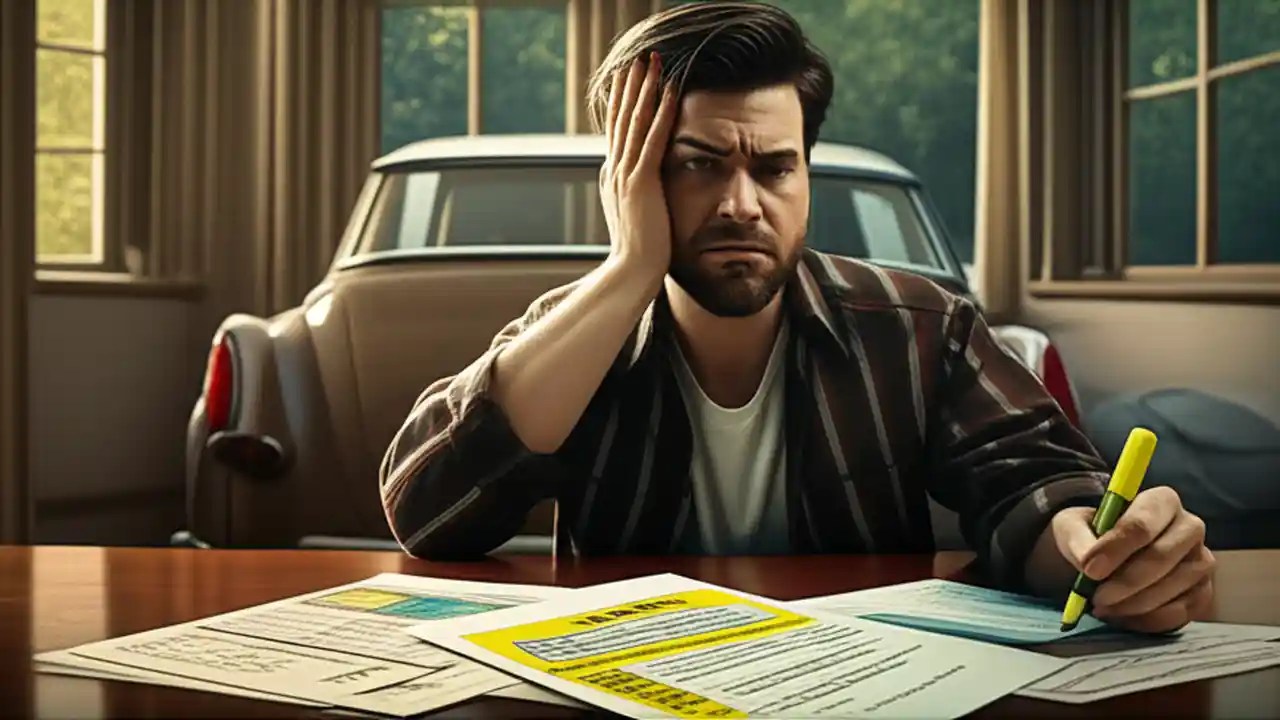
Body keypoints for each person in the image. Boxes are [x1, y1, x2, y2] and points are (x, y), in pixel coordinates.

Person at [380, 1, 1214, 634]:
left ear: (807, 176)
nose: (743, 204)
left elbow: (1032, 483)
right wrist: (632, 264)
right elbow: (429, 516)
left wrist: (1095, 550)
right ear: (630, 181)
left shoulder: (919, 325)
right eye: (699, 167)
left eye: (775, 168)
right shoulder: (576, 335)